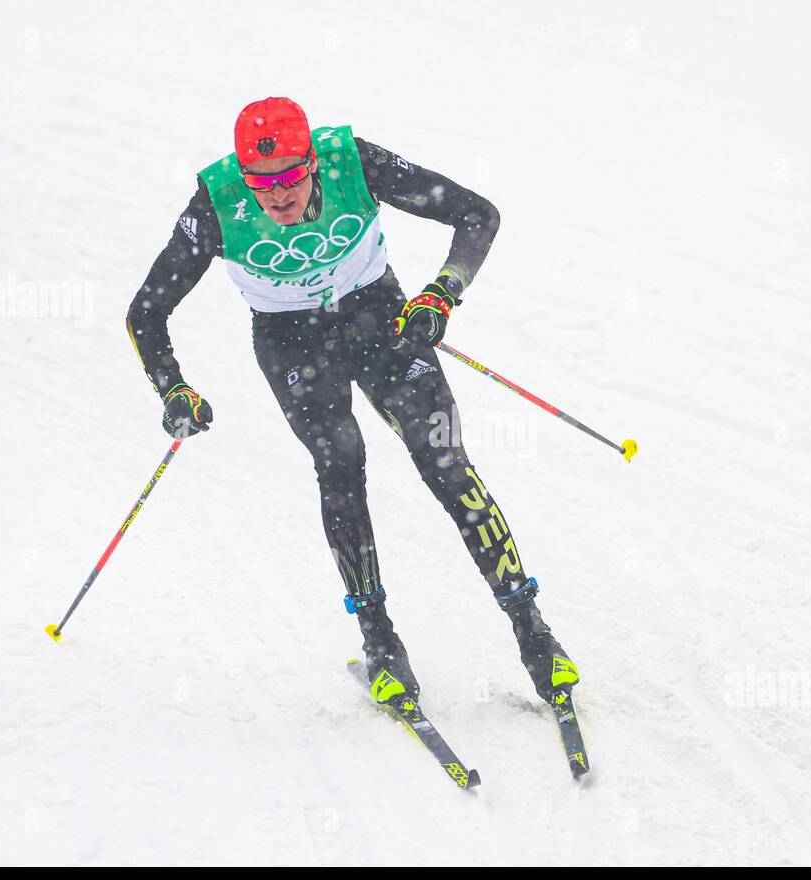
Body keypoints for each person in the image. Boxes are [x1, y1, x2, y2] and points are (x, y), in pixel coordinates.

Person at [125, 96, 579, 706]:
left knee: (446, 462)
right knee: (340, 462)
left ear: (312, 160)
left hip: (378, 318)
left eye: (289, 177)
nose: (278, 196)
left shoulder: (352, 163)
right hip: (291, 339)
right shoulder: (216, 201)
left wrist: (442, 294)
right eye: (262, 183)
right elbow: (147, 311)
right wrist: (172, 388)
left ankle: (534, 635)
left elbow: (478, 216)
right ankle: (381, 643)